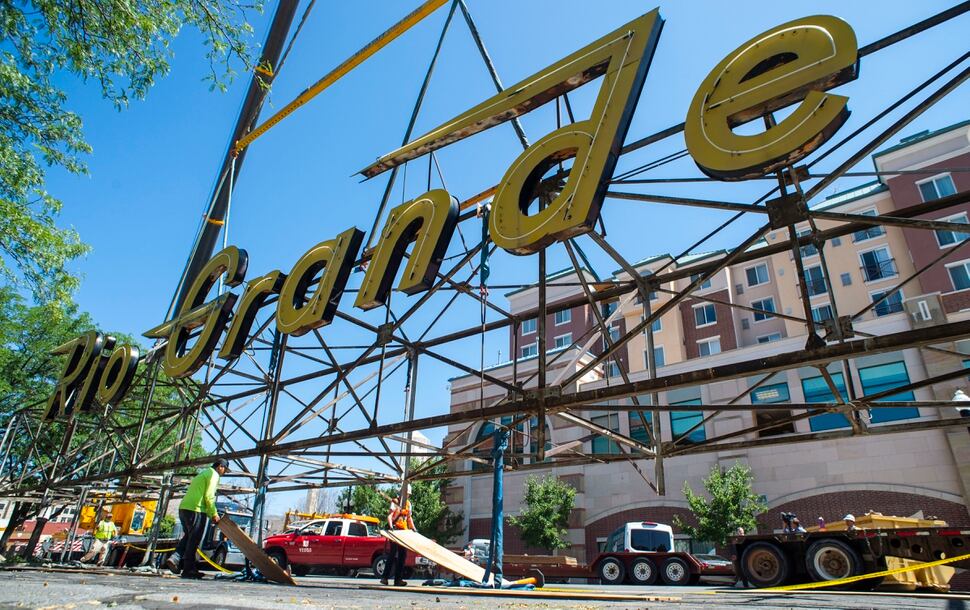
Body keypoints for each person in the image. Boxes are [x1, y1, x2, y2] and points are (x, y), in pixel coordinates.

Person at [165, 458, 227, 579]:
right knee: (194, 540)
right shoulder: (214, 475)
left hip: (184, 508)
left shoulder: (203, 473)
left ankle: (175, 558)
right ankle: (188, 570)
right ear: (220, 466)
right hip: (196, 510)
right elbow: (209, 496)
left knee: (189, 537)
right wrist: (214, 514)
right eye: (224, 469)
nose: (224, 472)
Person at [382, 488, 414, 587]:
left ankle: (398, 580)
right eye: (406, 494)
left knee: (402, 555)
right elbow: (390, 516)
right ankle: (385, 577)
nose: (407, 496)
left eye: (408, 494)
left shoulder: (408, 504)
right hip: (396, 530)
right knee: (392, 554)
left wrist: (414, 529)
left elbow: (409, 518)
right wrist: (391, 527)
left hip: (404, 532)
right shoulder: (395, 502)